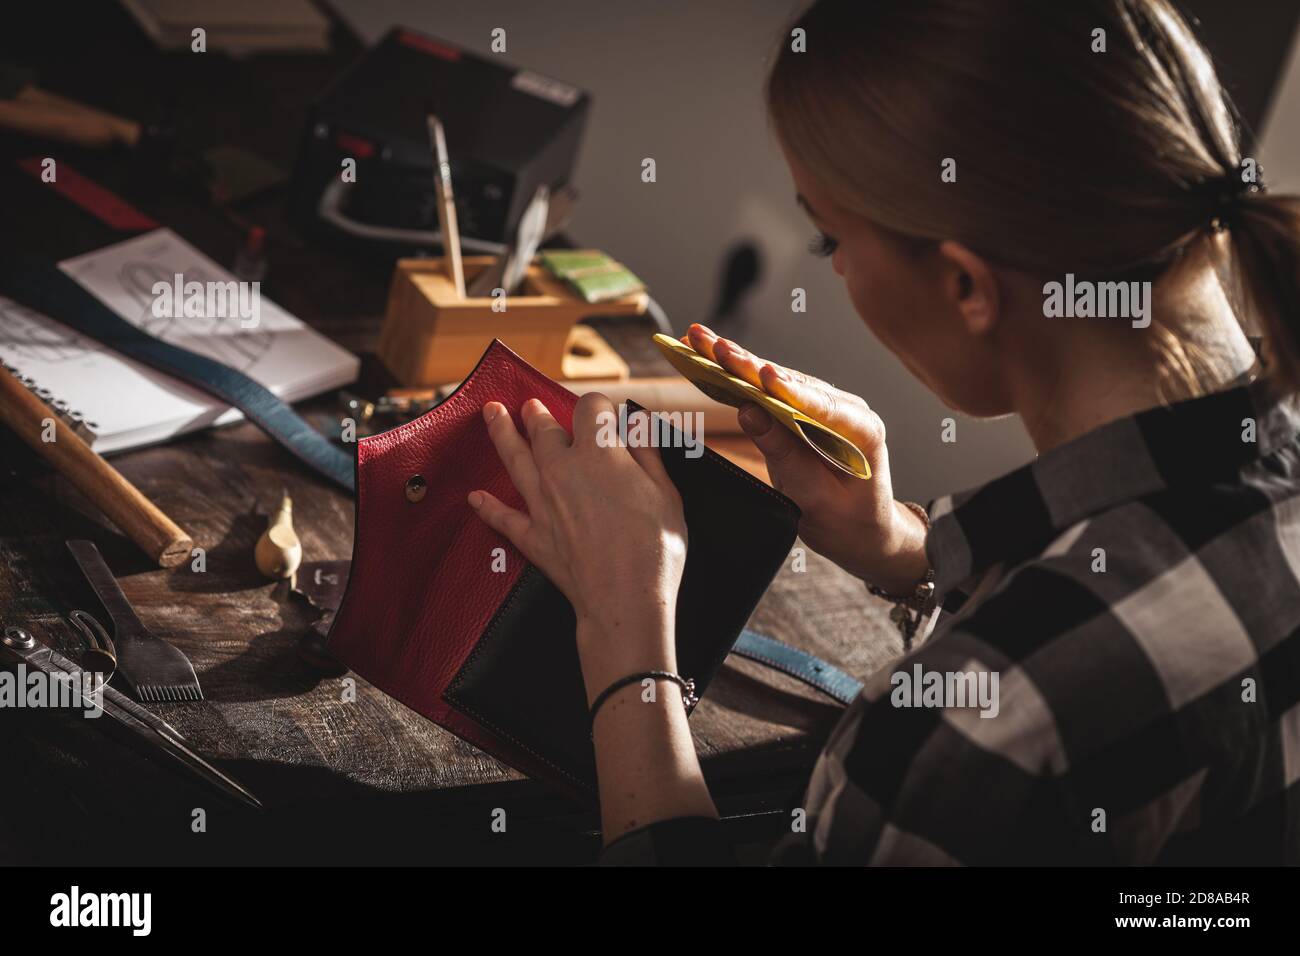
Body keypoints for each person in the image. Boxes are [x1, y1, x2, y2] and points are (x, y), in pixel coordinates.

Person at [467, 0, 1300, 864]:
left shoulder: (980, 726)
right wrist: (905, 550)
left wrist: (625, 633)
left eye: (830, 237)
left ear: (967, 288)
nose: (830, 265)